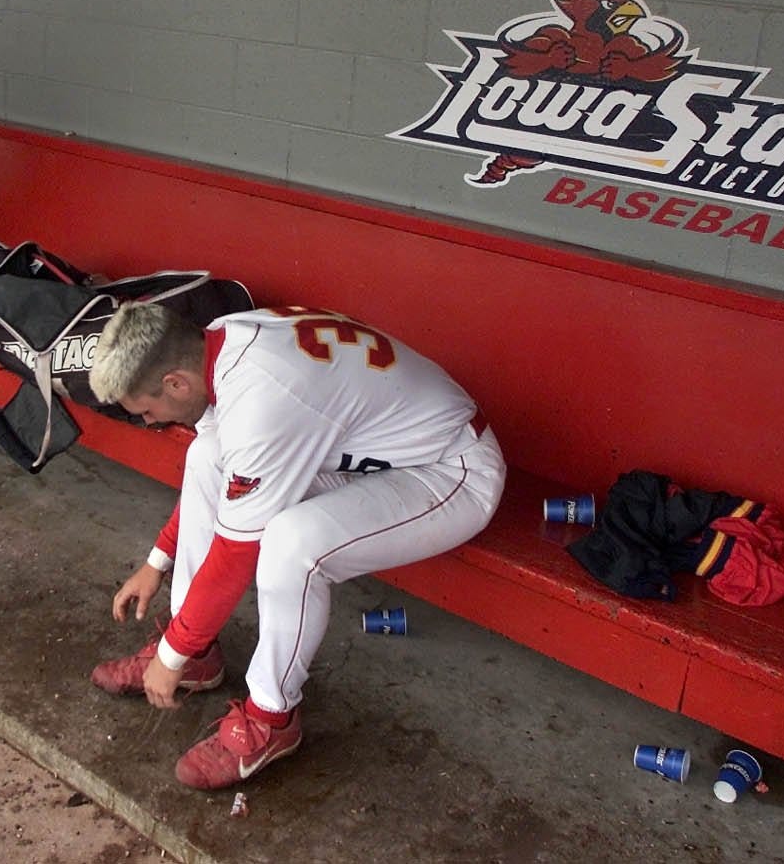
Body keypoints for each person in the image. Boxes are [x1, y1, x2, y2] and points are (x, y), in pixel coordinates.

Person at [88, 303, 506, 788]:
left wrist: (169, 656)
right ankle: (196, 657)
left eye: (147, 409)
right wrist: (157, 561)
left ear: (177, 383)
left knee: (293, 544)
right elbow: (222, 471)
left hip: (450, 471)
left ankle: (271, 718)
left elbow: (234, 558)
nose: (150, 422)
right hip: (371, 451)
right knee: (206, 452)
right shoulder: (221, 340)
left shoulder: (262, 398)